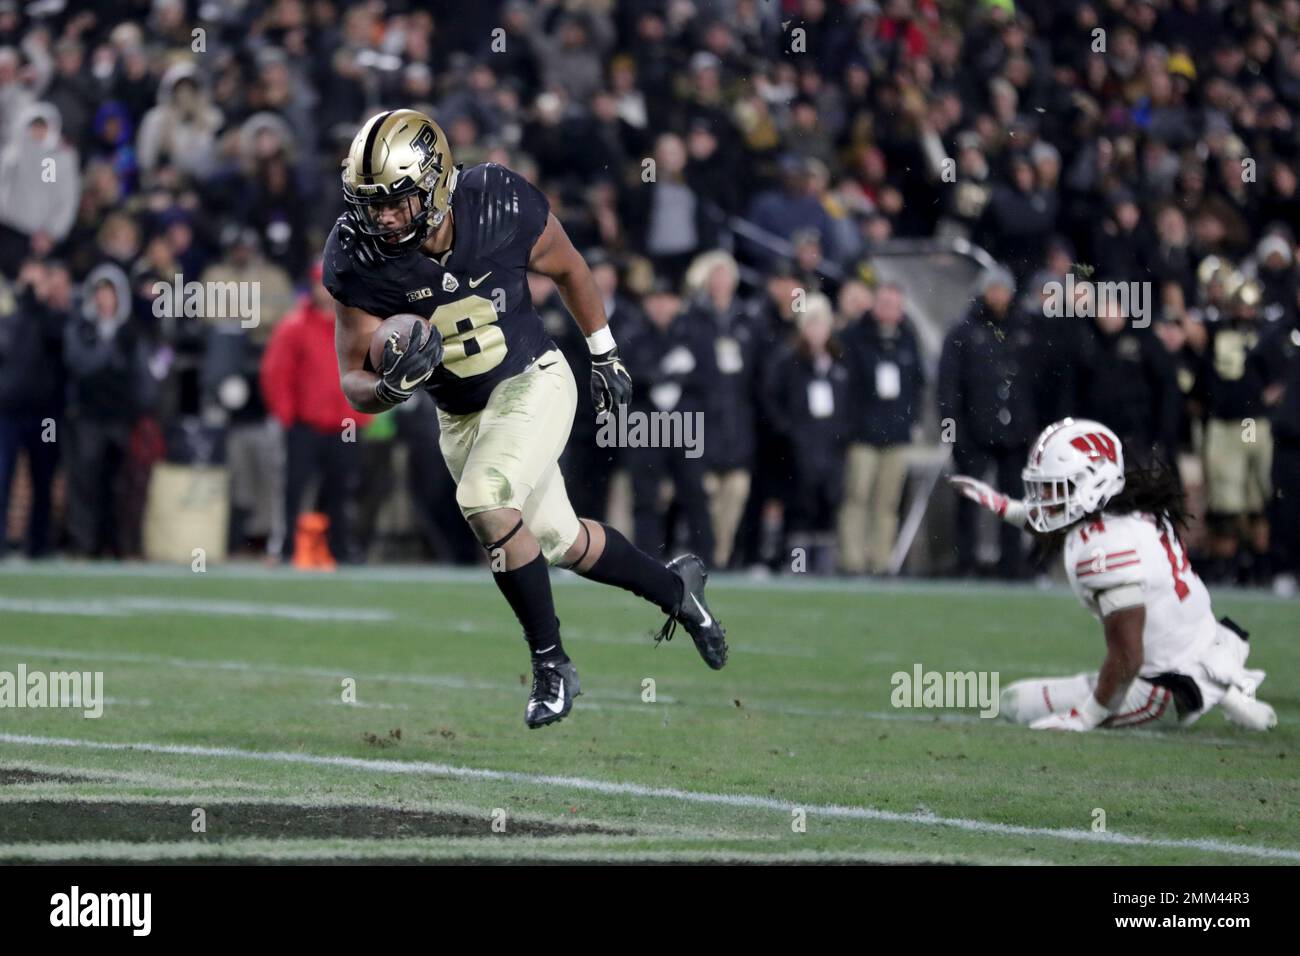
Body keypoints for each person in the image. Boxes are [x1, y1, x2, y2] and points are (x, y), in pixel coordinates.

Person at [323, 109, 727, 728]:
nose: (380, 217)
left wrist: (605, 354)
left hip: (531, 379)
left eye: (395, 202)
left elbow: (569, 266)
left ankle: (551, 665)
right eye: (370, 203)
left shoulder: (497, 201)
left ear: (433, 184)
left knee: (484, 498)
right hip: (460, 416)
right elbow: (354, 381)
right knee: (560, 540)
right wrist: (390, 387)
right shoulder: (357, 255)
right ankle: (680, 594)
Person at [949, 418, 1276, 733]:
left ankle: (1203, 695)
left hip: (1164, 687)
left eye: (1053, 488)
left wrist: (1085, 716)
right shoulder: (1138, 510)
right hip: (1207, 651)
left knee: (1012, 702)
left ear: (1093, 482)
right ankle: (1222, 690)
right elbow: (1055, 518)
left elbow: (1128, 657)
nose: (1043, 500)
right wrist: (1005, 506)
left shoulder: (1104, 548)